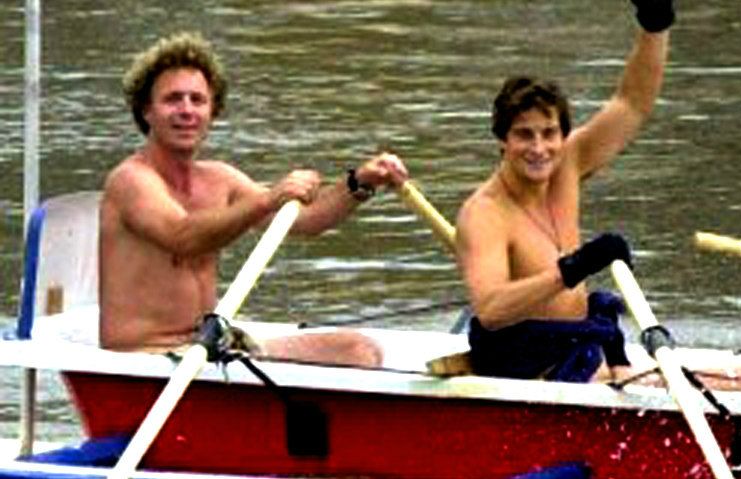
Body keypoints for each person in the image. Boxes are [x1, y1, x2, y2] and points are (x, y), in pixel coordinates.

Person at [99, 32, 408, 368]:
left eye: (197, 100)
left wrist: (360, 182)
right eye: (173, 99)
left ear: (212, 110)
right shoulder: (130, 181)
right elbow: (183, 237)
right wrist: (268, 199)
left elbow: (307, 221)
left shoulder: (220, 178)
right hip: (147, 357)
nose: (187, 110)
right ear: (146, 110)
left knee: (358, 351)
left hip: (207, 344)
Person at [455, 0, 675, 382]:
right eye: (524, 135)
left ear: (563, 136)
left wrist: (655, 23)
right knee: (713, 382)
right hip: (530, 369)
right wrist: (576, 267)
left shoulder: (567, 165)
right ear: (502, 140)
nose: (539, 149)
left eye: (549, 134)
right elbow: (490, 310)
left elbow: (632, 104)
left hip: (578, 348)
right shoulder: (483, 213)